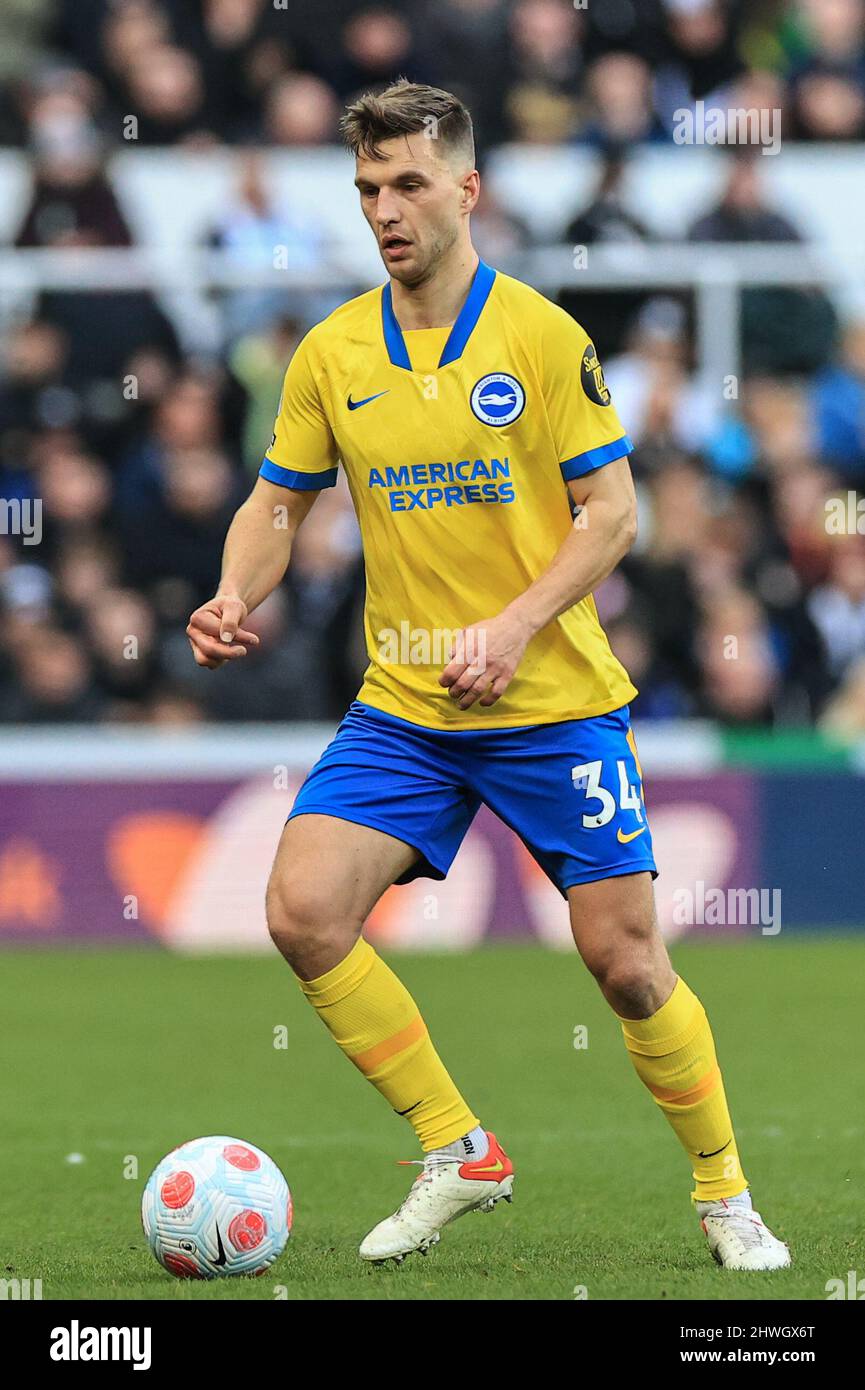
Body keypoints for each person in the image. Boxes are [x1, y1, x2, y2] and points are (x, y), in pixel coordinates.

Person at [186, 80, 789, 1272]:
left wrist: (513, 626)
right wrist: (232, 591)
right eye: (367, 189)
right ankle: (457, 1147)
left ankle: (725, 1194)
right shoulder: (333, 350)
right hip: (407, 705)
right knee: (302, 912)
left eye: (408, 183)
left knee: (622, 960)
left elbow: (610, 517)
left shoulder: (541, 338)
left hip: (549, 702)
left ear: (468, 189)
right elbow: (275, 502)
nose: (385, 210)